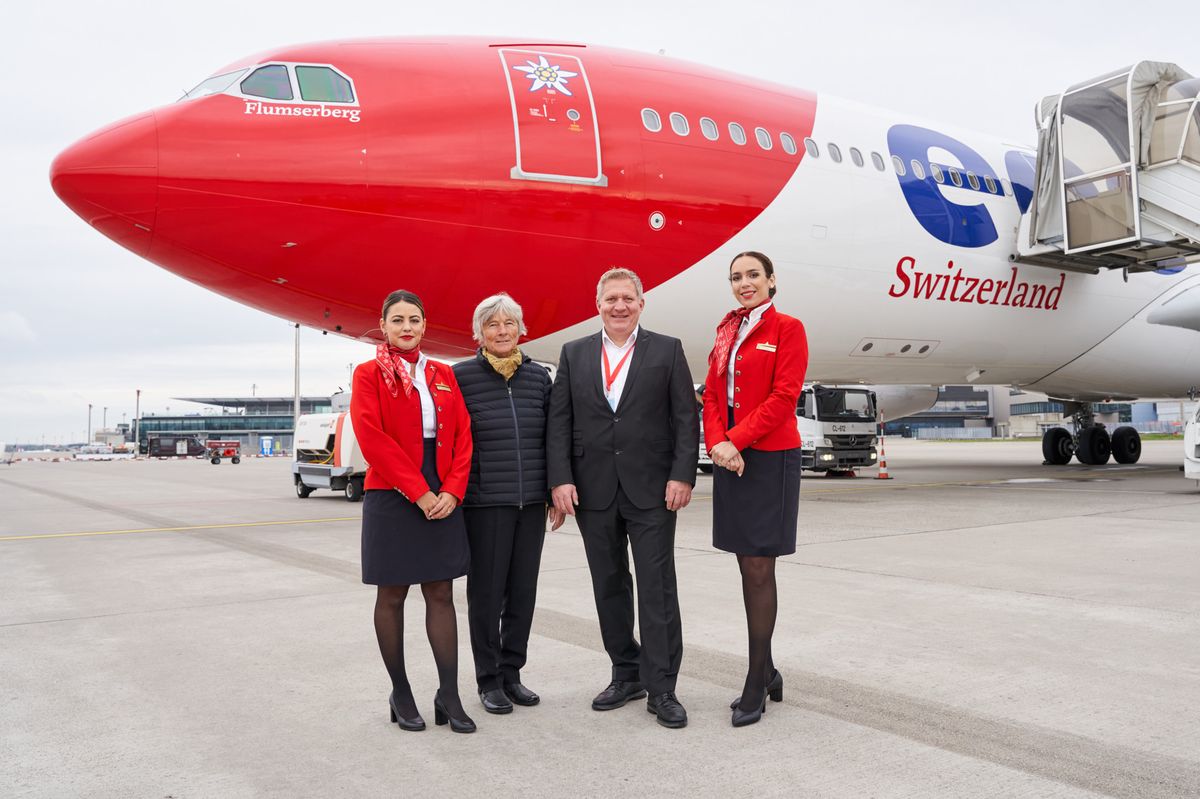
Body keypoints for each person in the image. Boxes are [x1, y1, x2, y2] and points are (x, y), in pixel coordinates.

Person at [547, 268, 699, 729]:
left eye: (627, 298)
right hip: (592, 489)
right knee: (609, 585)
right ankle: (625, 672)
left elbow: (686, 418)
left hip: (652, 489)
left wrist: (682, 475)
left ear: (641, 304)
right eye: (611, 298)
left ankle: (663, 687)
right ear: (598, 305)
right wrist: (560, 479)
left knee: (657, 587)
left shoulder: (667, 350)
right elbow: (560, 422)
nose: (619, 306)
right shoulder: (574, 353)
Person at [351, 289, 477, 734]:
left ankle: (449, 695)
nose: (407, 327)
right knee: (392, 595)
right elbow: (372, 438)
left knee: (441, 593)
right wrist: (419, 492)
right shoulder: (369, 374)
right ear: (383, 326)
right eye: (398, 320)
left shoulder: (442, 373)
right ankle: (400, 692)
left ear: (425, 325)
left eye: (415, 320)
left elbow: (463, 435)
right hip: (392, 493)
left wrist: (453, 491)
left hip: (442, 492)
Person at [702, 251, 808, 727]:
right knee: (746, 564)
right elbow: (711, 395)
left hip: (769, 458)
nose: (744, 283)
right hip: (731, 456)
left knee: (760, 567)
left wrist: (735, 441)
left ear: (770, 280)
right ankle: (768, 670)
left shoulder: (788, 328)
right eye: (736, 277)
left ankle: (755, 679)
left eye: (752, 275)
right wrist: (717, 444)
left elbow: (784, 397)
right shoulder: (726, 331)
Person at [452, 293, 565, 715]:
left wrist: (553, 490)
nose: (502, 331)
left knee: (522, 593)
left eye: (509, 323)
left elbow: (552, 438)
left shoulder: (539, 377)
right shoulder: (461, 377)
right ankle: (488, 679)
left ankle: (512, 672)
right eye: (492, 324)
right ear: (479, 333)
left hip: (531, 502)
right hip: (484, 503)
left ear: (521, 329)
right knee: (486, 595)